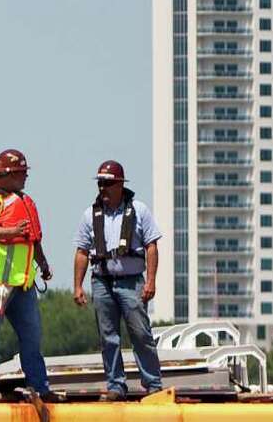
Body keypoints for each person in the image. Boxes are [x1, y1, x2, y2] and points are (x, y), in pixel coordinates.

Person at [0, 147, 54, 401]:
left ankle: (39, 386)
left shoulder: (25, 201)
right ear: (6, 174)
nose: (25, 177)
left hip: (22, 283)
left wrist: (43, 264)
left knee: (32, 336)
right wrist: (10, 231)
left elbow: (33, 239)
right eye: (20, 173)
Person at [72, 159, 165, 399]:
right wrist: (77, 286)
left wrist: (151, 281)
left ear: (120, 185)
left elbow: (151, 246)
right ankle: (116, 386)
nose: (103, 188)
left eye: (108, 183)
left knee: (141, 334)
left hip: (131, 281)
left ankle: (153, 384)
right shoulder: (90, 215)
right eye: (101, 183)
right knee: (108, 337)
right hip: (102, 282)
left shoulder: (139, 211)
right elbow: (82, 251)